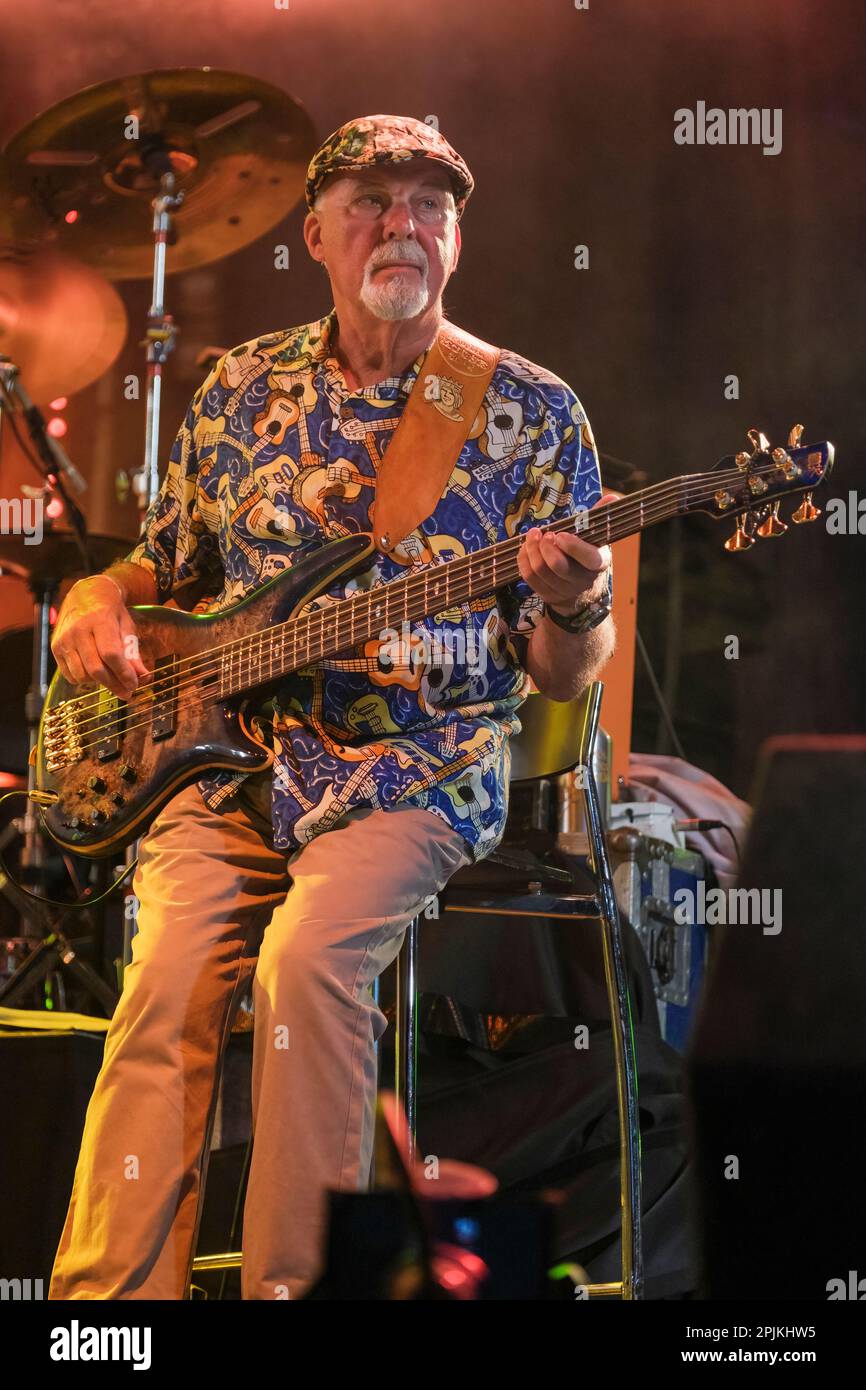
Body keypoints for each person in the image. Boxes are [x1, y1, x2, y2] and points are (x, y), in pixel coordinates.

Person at [47, 114, 614, 1300]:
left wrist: (579, 600)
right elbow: (165, 569)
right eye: (371, 202)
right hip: (228, 761)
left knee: (304, 966)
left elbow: (564, 677)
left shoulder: (530, 409)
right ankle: (106, 1316)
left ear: (456, 238)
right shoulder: (240, 386)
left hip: (414, 767)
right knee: (160, 987)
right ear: (313, 233)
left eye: (429, 205)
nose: (401, 224)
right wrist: (95, 595)